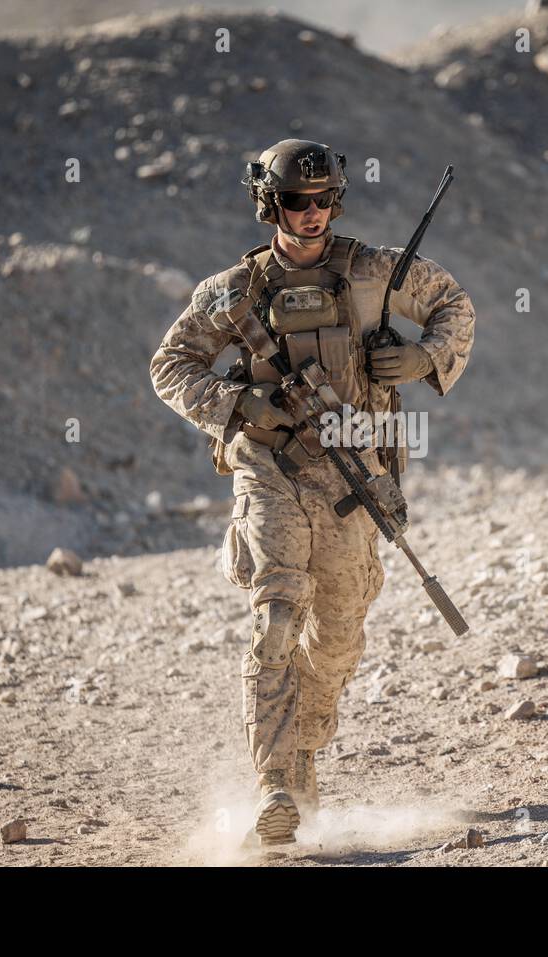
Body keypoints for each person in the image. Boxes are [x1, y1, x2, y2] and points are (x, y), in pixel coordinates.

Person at [149, 138, 474, 845]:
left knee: (338, 640)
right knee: (276, 618)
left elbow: (453, 304)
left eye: (325, 199)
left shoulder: (373, 271)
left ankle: (301, 749)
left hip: (356, 477)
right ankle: (272, 784)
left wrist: (420, 357)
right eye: (299, 201)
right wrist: (237, 407)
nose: (313, 212)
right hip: (270, 471)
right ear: (272, 204)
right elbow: (170, 365)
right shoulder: (232, 293)